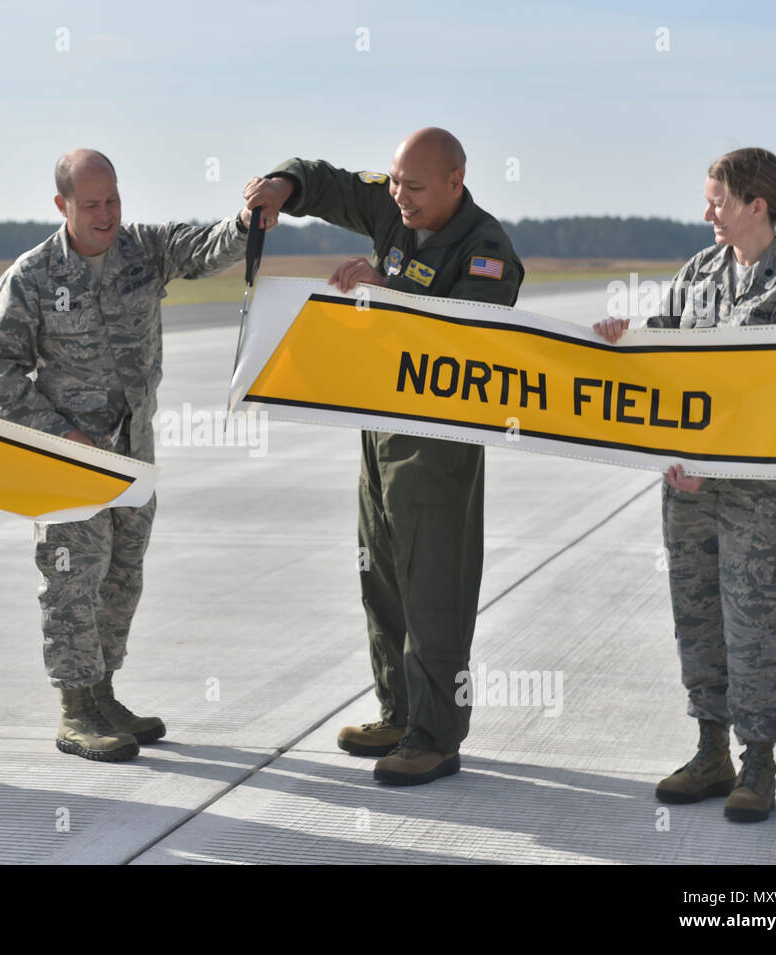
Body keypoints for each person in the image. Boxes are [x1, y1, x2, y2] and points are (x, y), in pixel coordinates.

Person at [243, 128, 525, 785]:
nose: (399, 197)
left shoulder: (486, 249)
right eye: (395, 182)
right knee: (384, 580)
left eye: (415, 187)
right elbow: (332, 181)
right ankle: (399, 714)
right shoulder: (394, 205)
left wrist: (387, 292)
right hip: (379, 430)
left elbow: (469, 340)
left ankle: (435, 735)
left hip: (438, 444)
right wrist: (284, 183)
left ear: (456, 181)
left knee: (434, 588)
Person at [0, 148, 251, 762]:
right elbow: (2, 370)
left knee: (122, 576)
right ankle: (75, 712)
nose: (106, 215)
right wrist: (56, 432)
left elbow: (206, 247)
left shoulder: (142, 252)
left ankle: (104, 693)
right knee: (73, 577)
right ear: (63, 206)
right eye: (92, 204)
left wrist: (246, 222)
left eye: (114, 200)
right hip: (68, 458)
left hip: (134, 451)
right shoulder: (32, 276)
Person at [594, 147, 776, 823]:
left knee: (753, 626)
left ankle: (758, 764)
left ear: (757, 206)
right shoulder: (699, 270)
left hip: (762, 497)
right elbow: (663, 356)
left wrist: (709, 459)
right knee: (697, 618)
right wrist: (622, 337)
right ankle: (710, 750)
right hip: (689, 489)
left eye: (718, 201)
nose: (707, 213)